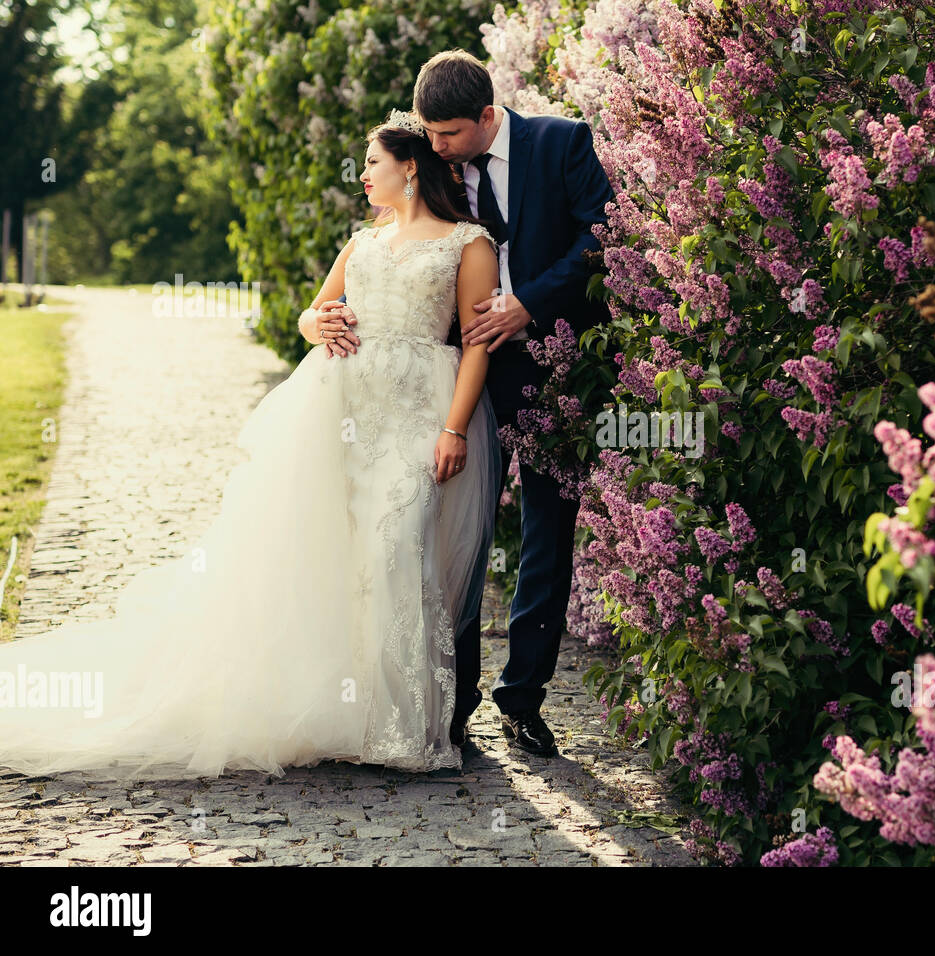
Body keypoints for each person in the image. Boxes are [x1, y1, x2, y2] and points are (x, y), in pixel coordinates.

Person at [0, 110, 500, 780]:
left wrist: (454, 427)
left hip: (418, 412)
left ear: (408, 167)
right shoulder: (361, 242)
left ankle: (407, 726)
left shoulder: (469, 243)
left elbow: (476, 343)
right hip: (345, 407)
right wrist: (315, 321)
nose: (363, 174)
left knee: (396, 544)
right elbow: (310, 314)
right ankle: (355, 716)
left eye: (372, 163)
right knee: (342, 551)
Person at [322, 50, 615, 757]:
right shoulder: (433, 157)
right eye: (431, 136)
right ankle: (450, 704)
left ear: (487, 116)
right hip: (446, 376)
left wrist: (528, 305)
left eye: (450, 135)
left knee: (547, 532)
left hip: (549, 368)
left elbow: (601, 238)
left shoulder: (561, 142)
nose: (438, 148)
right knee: (446, 532)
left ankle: (522, 700)